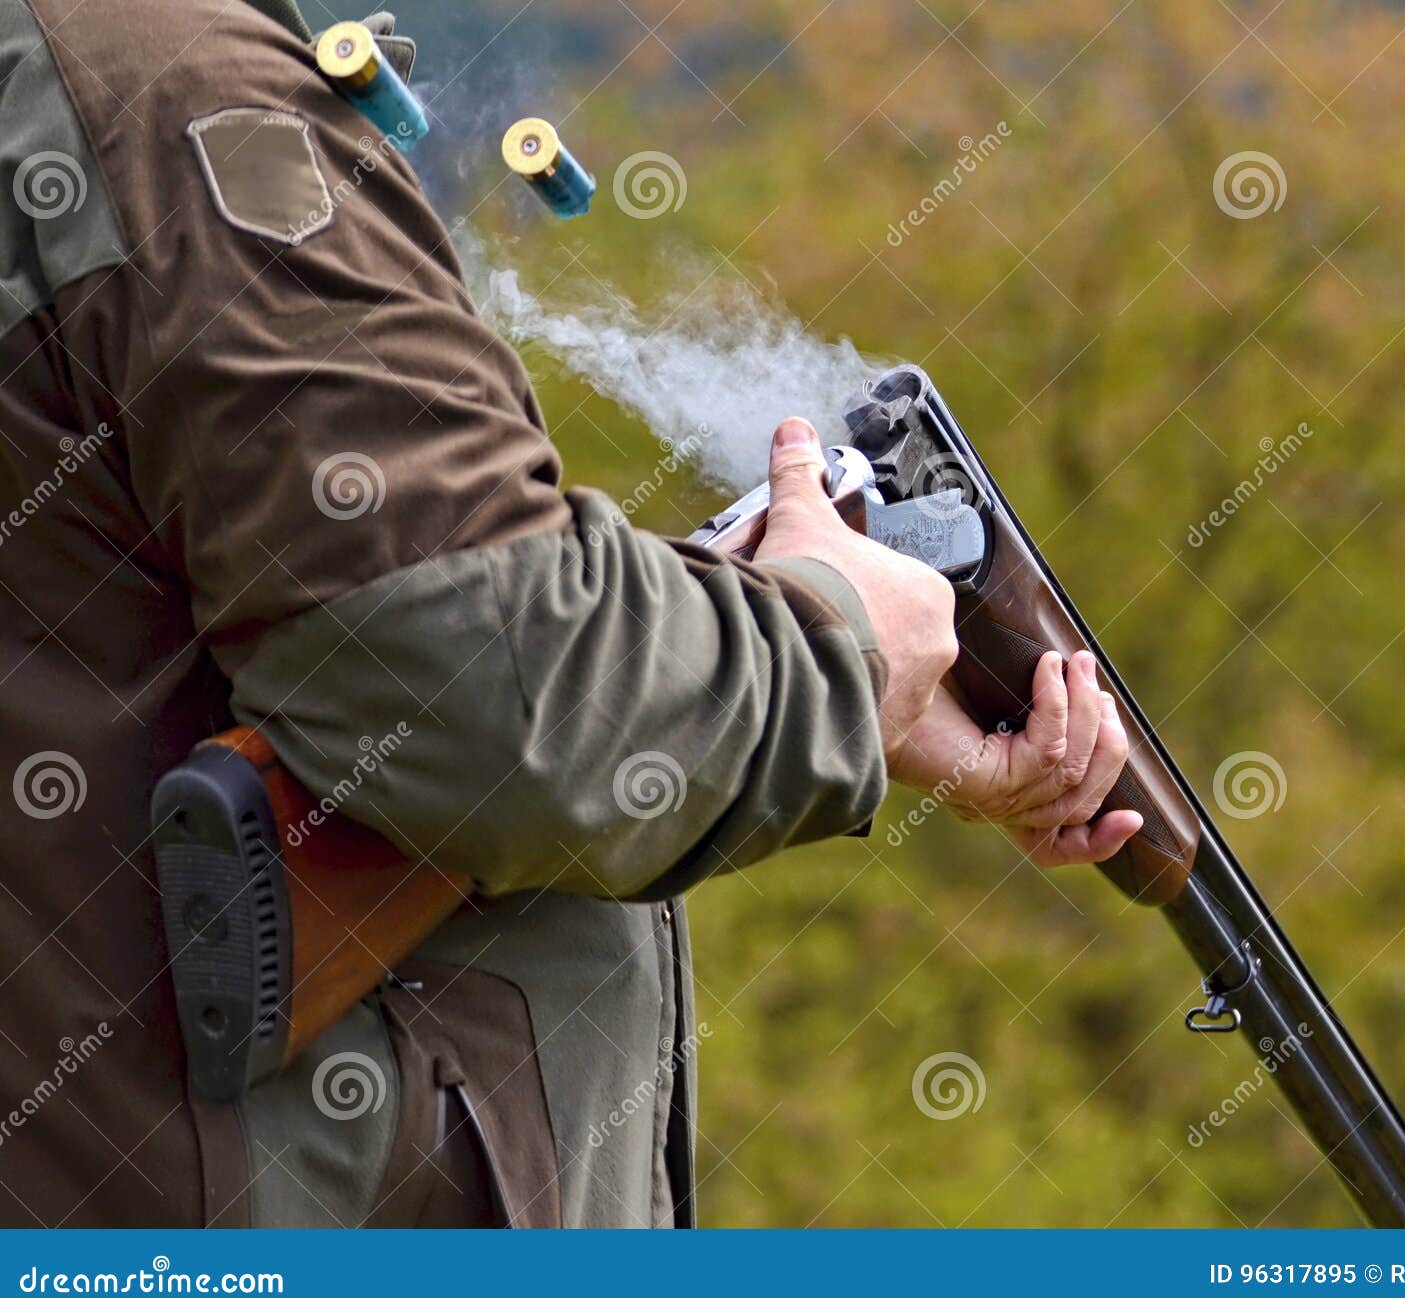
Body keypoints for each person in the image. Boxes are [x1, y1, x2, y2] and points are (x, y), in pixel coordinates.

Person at [0, 0, 1140, 1228]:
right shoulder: (162, 89)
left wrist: (776, 634)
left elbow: (319, 600)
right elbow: (486, 679)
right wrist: (828, 651)